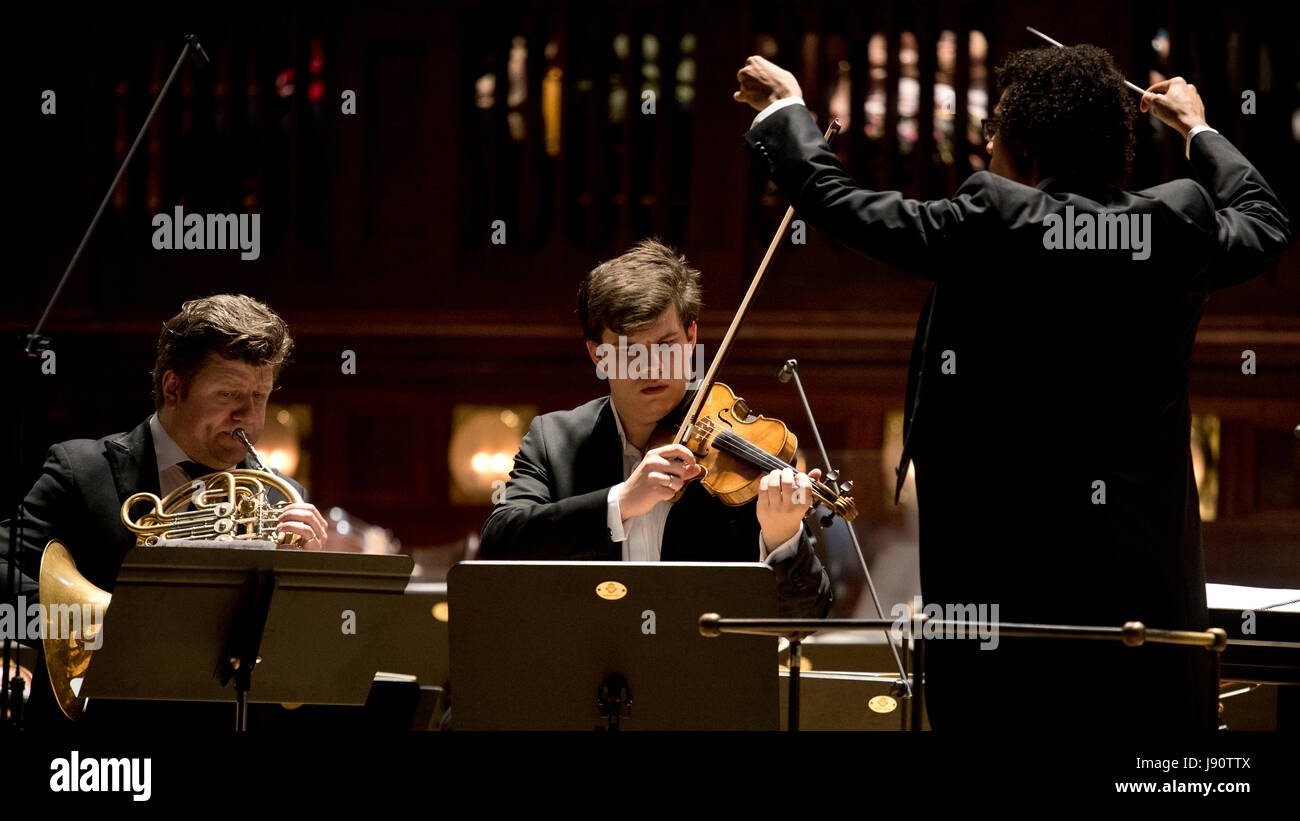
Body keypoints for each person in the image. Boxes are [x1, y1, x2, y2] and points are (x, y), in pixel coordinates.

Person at [734, 45, 1291, 730]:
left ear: (1026, 148)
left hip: (1002, 617)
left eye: (998, 132)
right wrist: (1196, 128)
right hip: (1146, 614)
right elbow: (1266, 221)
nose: (989, 144)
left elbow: (840, 202)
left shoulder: (991, 220)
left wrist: (790, 107)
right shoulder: (1175, 226)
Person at [3, 293, 329, 724]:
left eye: (260, 395)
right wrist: (92, 625)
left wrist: (309, 582)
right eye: (228, 394)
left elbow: (301, 658)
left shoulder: (282, 494)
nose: (248, 417)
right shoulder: (81, 471)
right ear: (173, 388)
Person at [481, 239, 832, 618]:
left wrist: (781, 538)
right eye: (631, 351)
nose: (652, 367)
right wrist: (620, 502)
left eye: (666, 345)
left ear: (692, 337)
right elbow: (501, 541)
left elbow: (804, 619)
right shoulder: (554, 439)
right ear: (597, 355)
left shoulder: (745, 462)